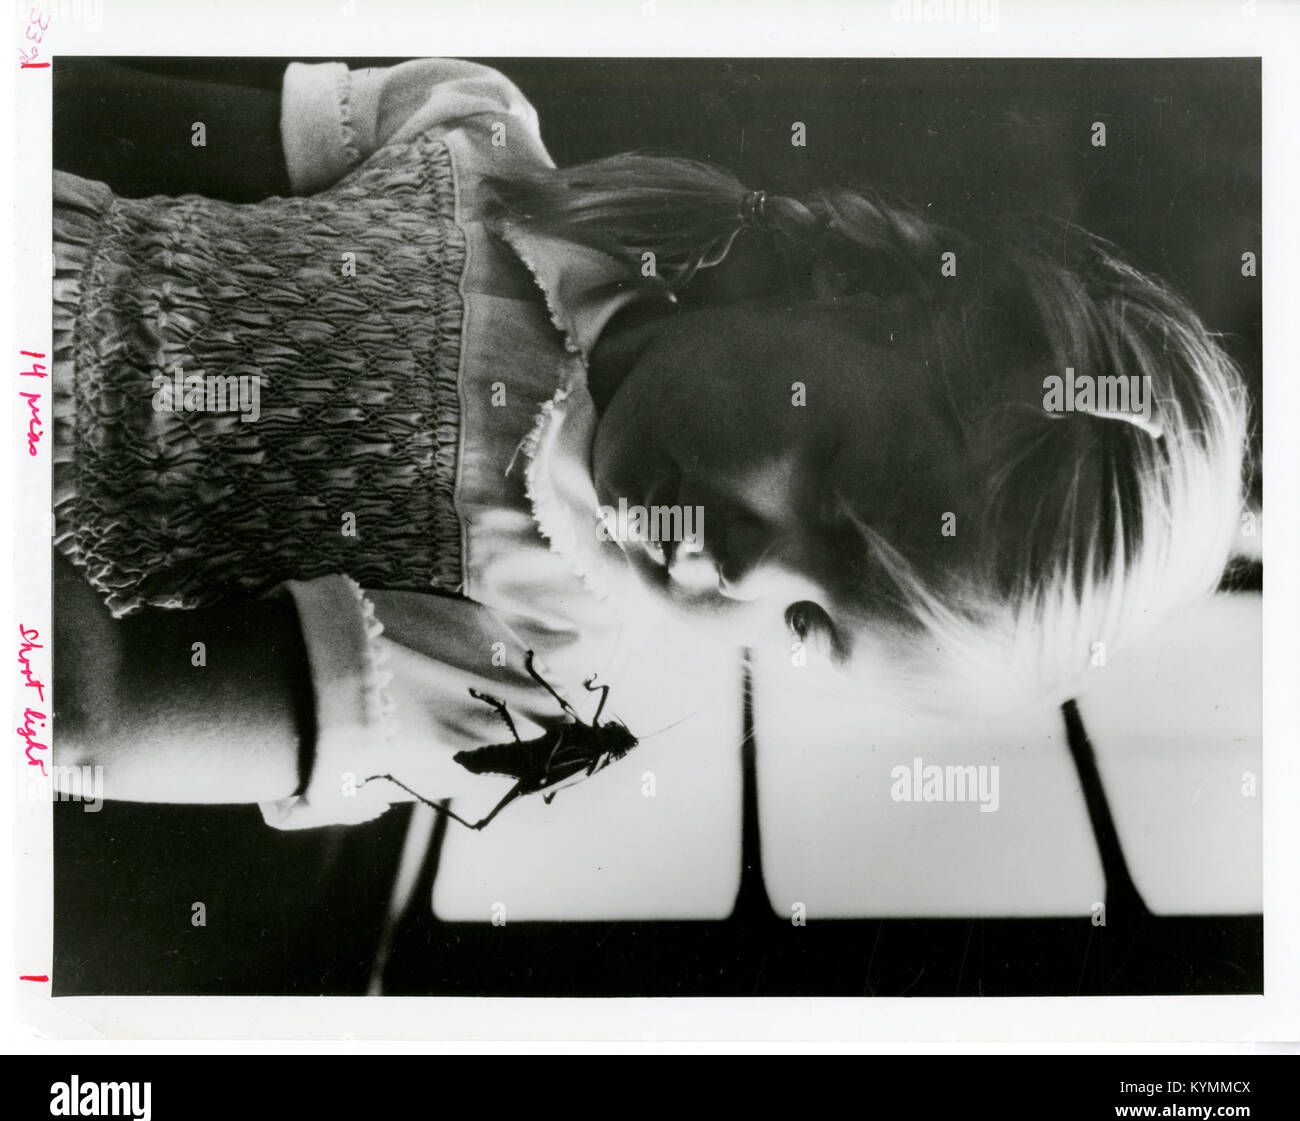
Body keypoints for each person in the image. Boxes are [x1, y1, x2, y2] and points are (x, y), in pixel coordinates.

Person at [51, 58, 1251, 831]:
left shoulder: (507, 677)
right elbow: (75, 107)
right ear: (850, 281)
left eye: (806, 620)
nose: (743, 565)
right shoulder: (472, 149)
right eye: (832, 488)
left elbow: (92, 716)